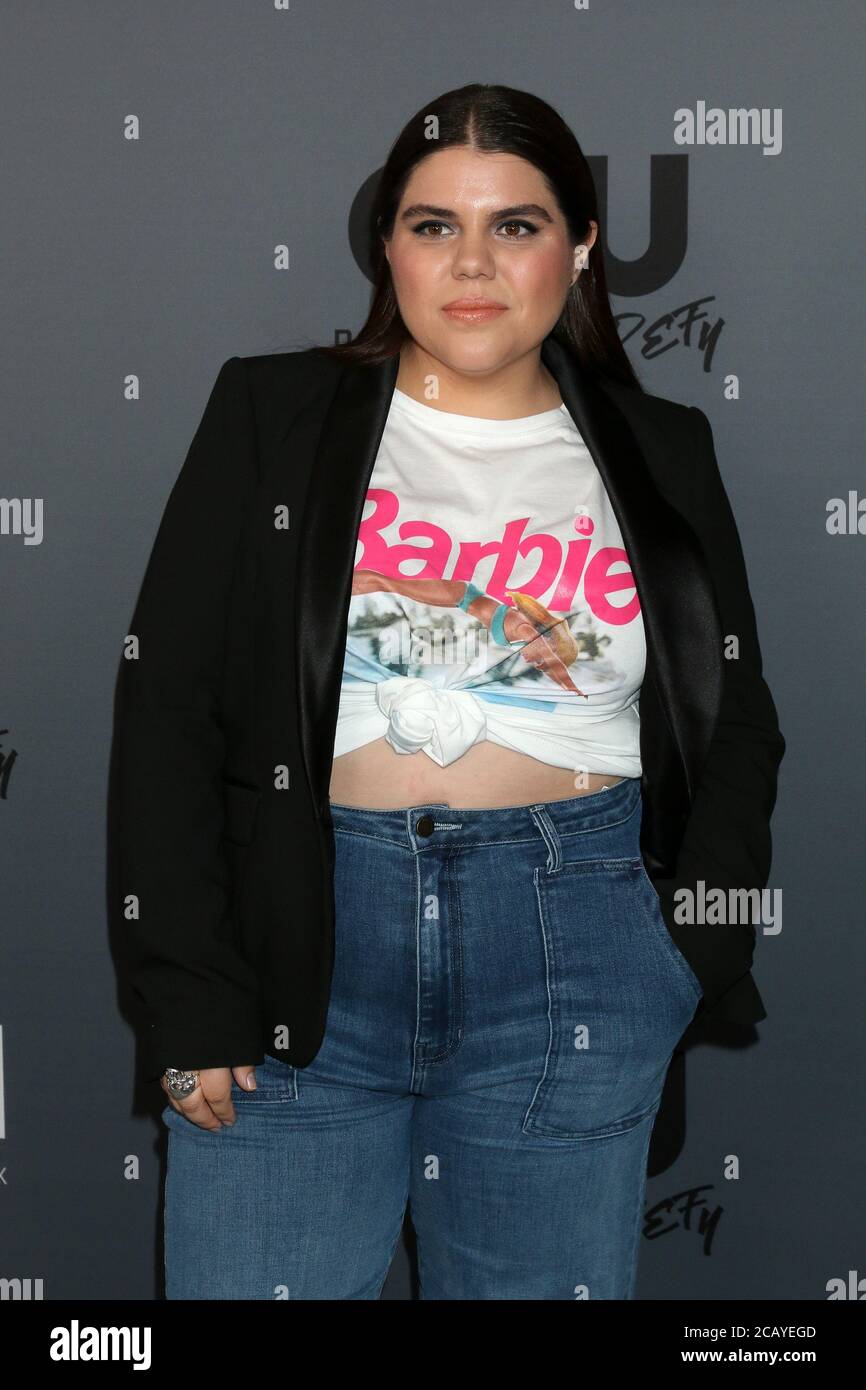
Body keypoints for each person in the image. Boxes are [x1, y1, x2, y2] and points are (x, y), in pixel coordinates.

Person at [117, 83, 785, 1300]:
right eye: (433, 226)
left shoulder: (664, 446)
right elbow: (168, 710)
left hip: (576, 956)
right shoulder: (272, 415)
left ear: (578, 251)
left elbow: (732, 714)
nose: (471, 263)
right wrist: (187, 995)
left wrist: (683, 947)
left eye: (515, 226)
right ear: (388, 246)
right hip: (298, 961)